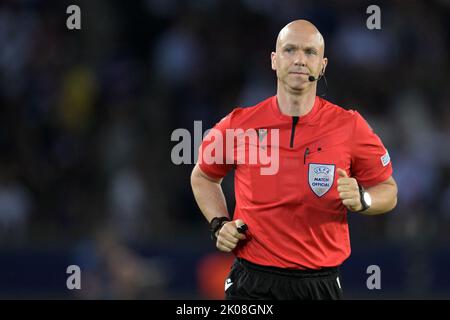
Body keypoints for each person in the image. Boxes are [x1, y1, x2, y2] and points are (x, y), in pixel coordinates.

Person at [190, 19, 398, 300]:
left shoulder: (349, 126)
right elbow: (203, 176)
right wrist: (219, 224)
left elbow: (389, 190)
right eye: (290, 50)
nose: (300, 59)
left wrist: (364, 200)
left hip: (319, 284)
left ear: (323, 65)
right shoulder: (239, 124)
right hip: (252, 282)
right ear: (274, 61)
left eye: (310, 52)